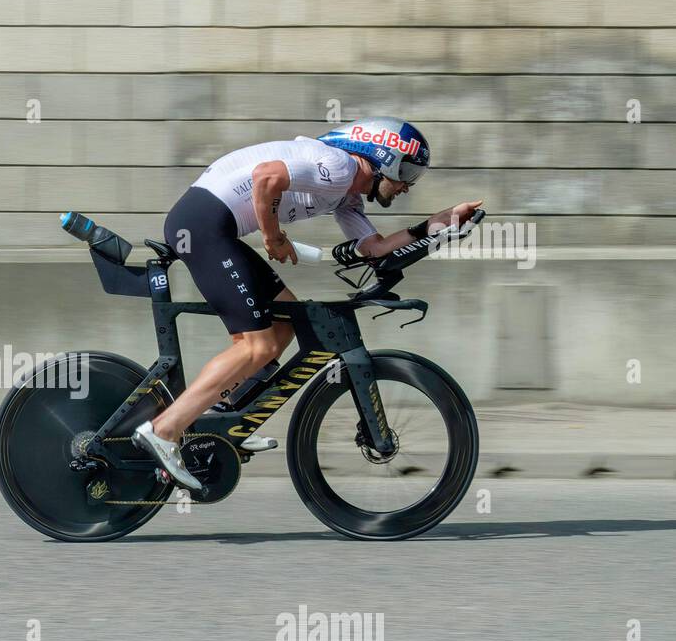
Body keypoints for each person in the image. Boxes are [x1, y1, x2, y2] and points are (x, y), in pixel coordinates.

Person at [132, 117, 483, 490]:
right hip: (203, 226)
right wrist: (273, 237)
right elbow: (267, 177)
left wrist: (439, 223)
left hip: (212, 227)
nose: (406, 187)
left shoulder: (346, 195)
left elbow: (375, 249)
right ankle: (165, 430)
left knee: (284, 327)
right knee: (258, 345)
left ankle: (223, 418)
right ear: (385, 155)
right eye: (407, 173)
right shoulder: (338, 166)